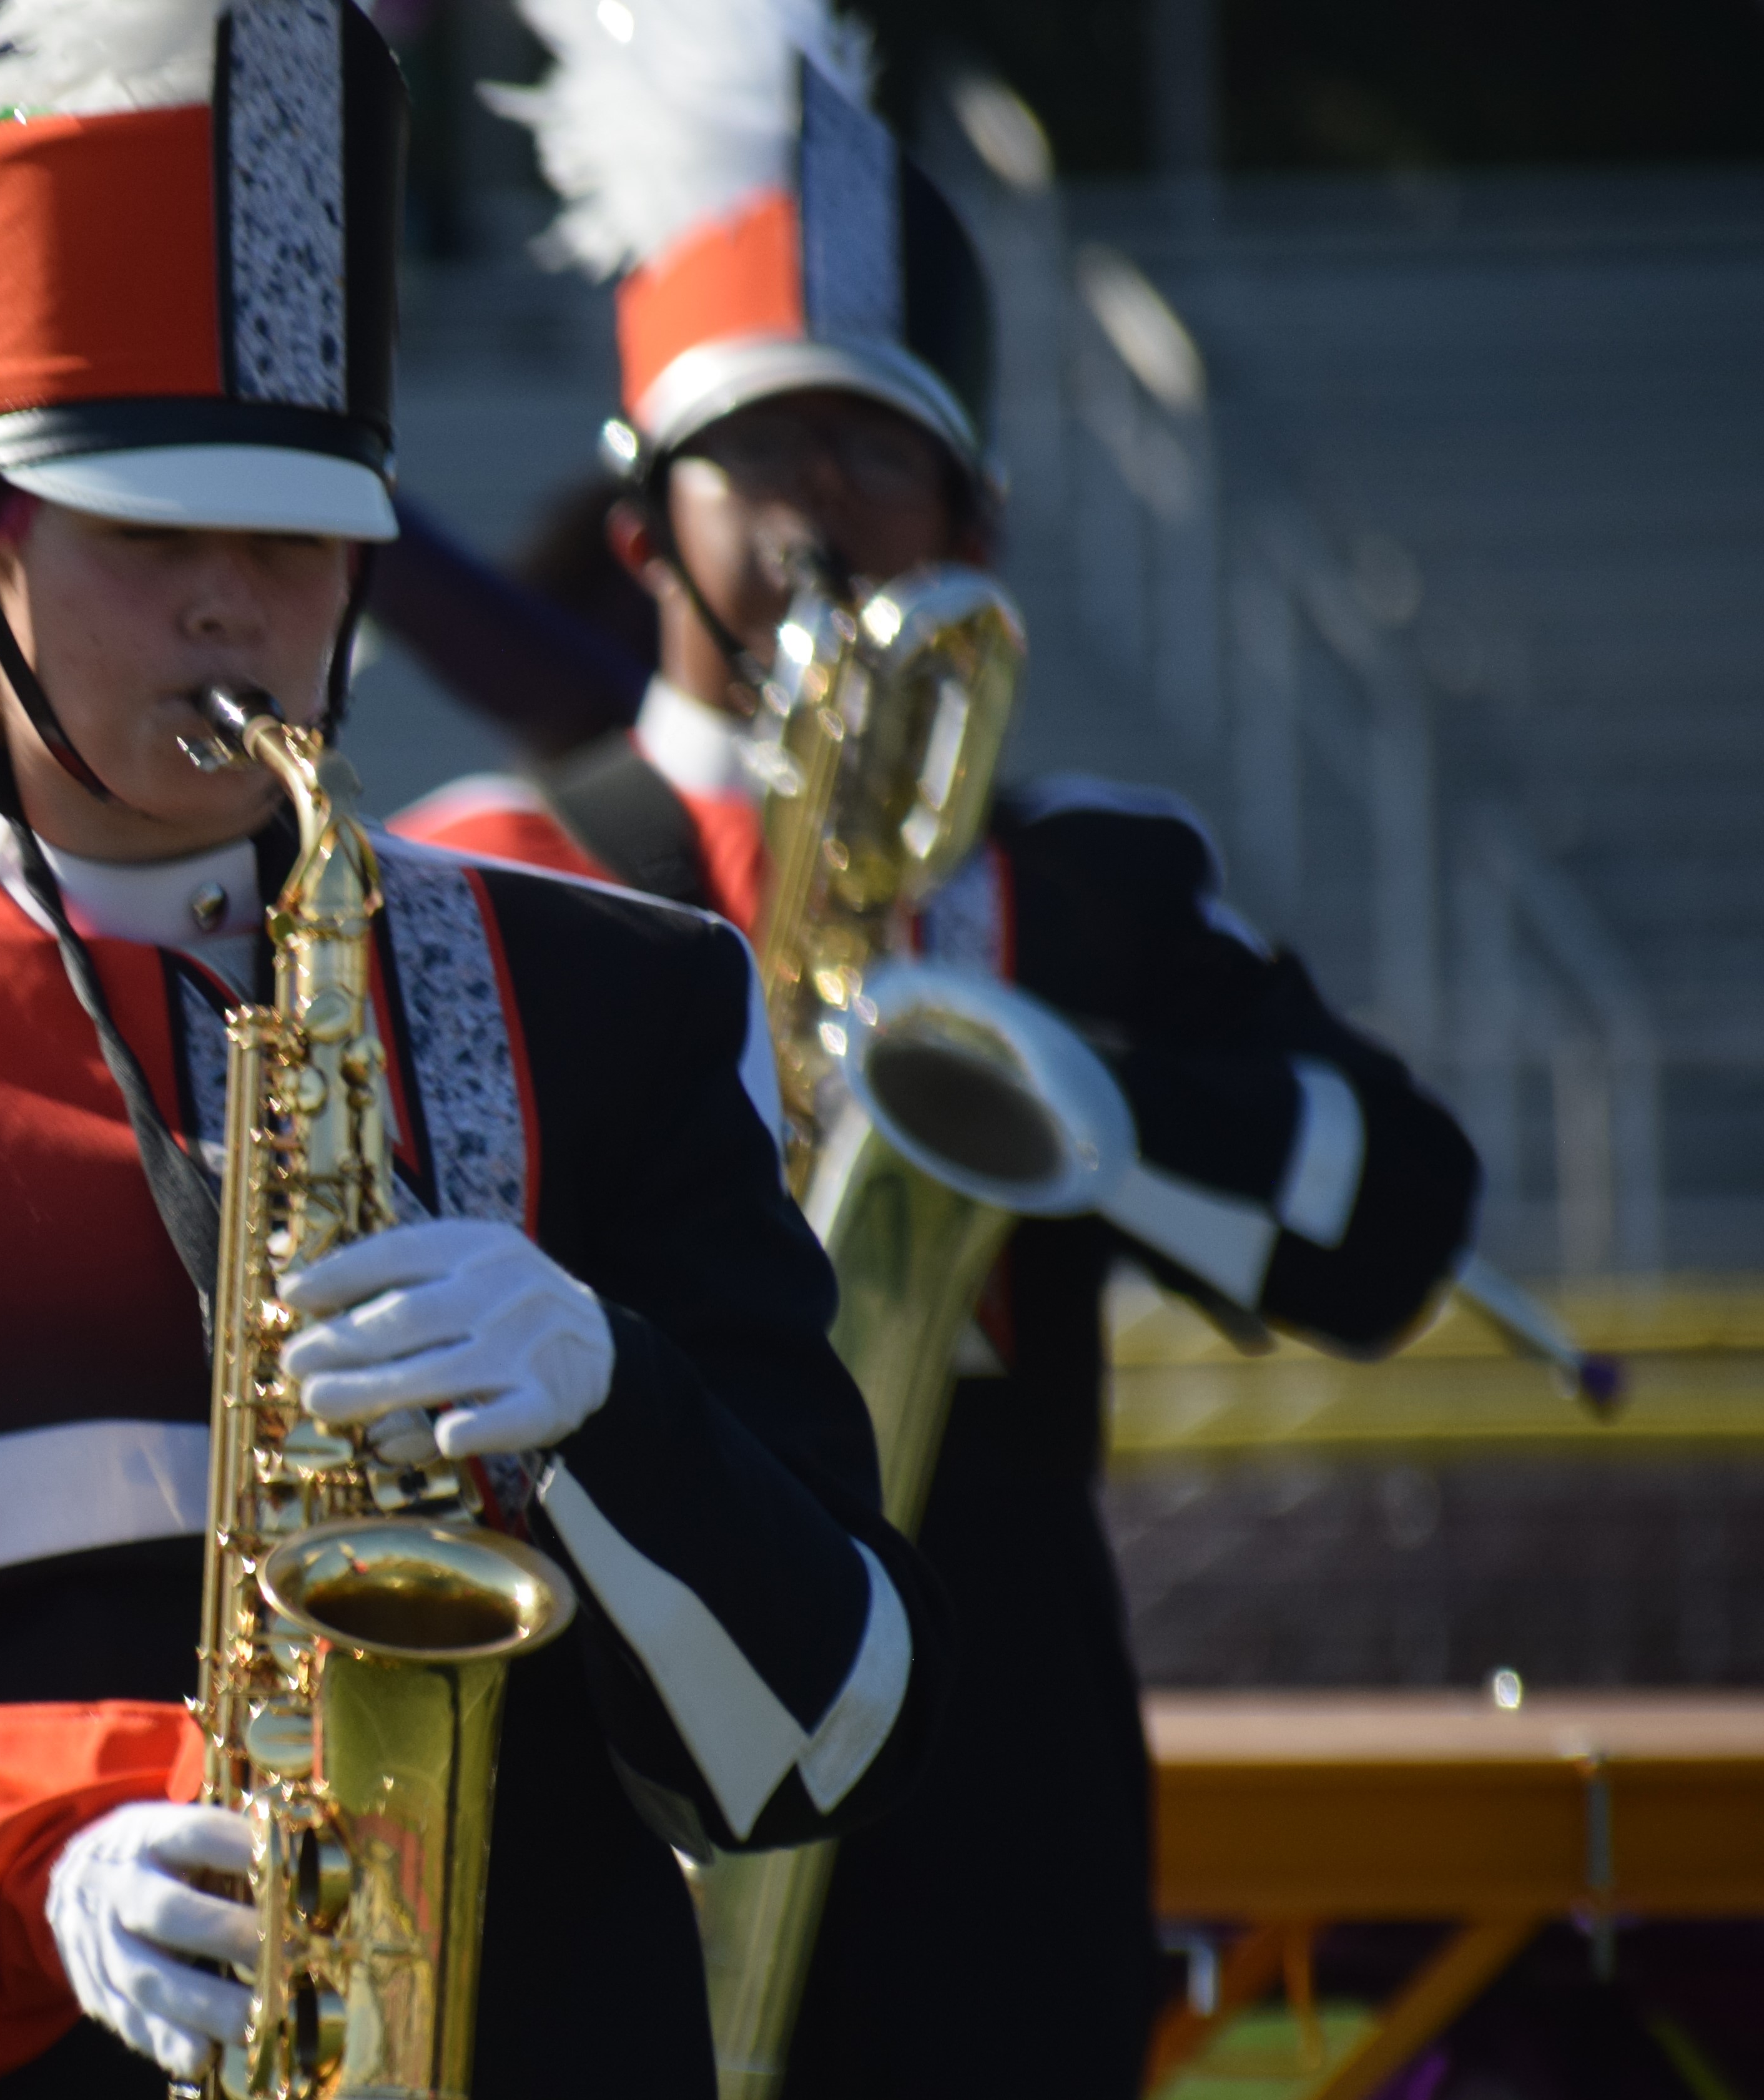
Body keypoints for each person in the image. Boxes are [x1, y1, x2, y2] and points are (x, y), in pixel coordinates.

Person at [0, 2, 952, 2094]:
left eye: (291, 541)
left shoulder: (629, 1002)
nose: (231, 607)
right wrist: (31, 1878)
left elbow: (817, 1738)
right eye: (150, 538)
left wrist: (610, 1401)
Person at [384, 4, 1486, 2093]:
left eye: (880, 447)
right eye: (767, 447)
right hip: (623, 1693)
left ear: (969, 511)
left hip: (1001, 1724)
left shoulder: (1086, 881)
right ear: (642, 523)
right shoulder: (495, 873)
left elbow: (1395, 1212)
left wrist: (1086, 1115)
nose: (823, 504)